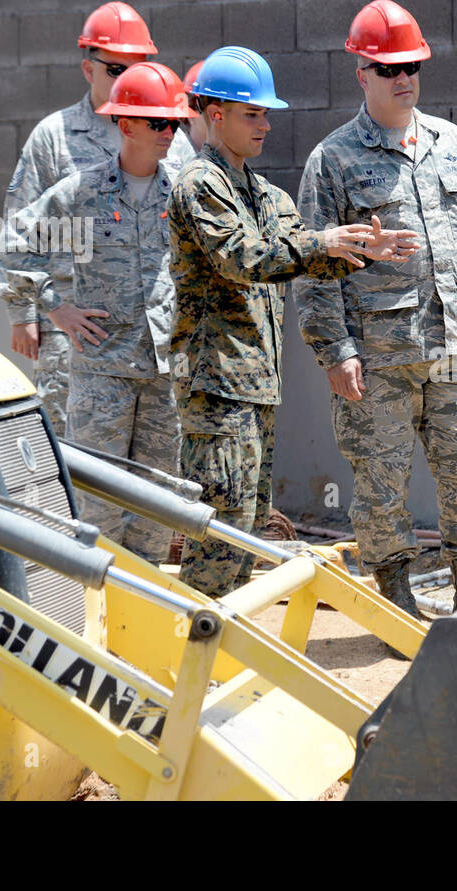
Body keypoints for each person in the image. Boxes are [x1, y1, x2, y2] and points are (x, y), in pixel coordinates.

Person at [295, 0, 457, 614]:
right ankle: (396, 600)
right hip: (377, 361)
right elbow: (314, 270)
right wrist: (335, 352)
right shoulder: (333, 159)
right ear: (361, 74)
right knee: (380, 484)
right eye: (389, 68)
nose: (403, 79)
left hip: (455, 350)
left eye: (411, 67)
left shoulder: (452, 144)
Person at [168, 45, 418, 597]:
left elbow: (303, 254)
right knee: (221, 528)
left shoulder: (264, 193)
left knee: (249, 526)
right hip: (215, 384)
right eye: (252, 114)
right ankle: (195, 635)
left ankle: (224, 636)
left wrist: (361, 248)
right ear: (216, 115)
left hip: (255, 385)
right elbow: (243, 258)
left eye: (266, 114)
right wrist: (322, 243)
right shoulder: (199, 183)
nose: (265, 125)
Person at [2, 63, 196, 562]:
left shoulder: (184, 193)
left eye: (175, 123)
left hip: (163, 375)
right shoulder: (82, 192)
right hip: (101, 373)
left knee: (157, 502)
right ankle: (95, 600)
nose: (170, 133)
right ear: (125, 124)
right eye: (158, 123)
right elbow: (12, 244)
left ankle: (144, 599)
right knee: (97, 504)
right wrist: (56, 308)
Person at [0, 1, 194, 437]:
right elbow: (16, 224)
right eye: (115, 69)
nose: (127, 79)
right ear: (89, 69)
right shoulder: (55, 135)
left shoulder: (174, 141)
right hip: (75, 322)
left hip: (154, 332)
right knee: (73, 443)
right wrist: (25, 312)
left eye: (136, 68)